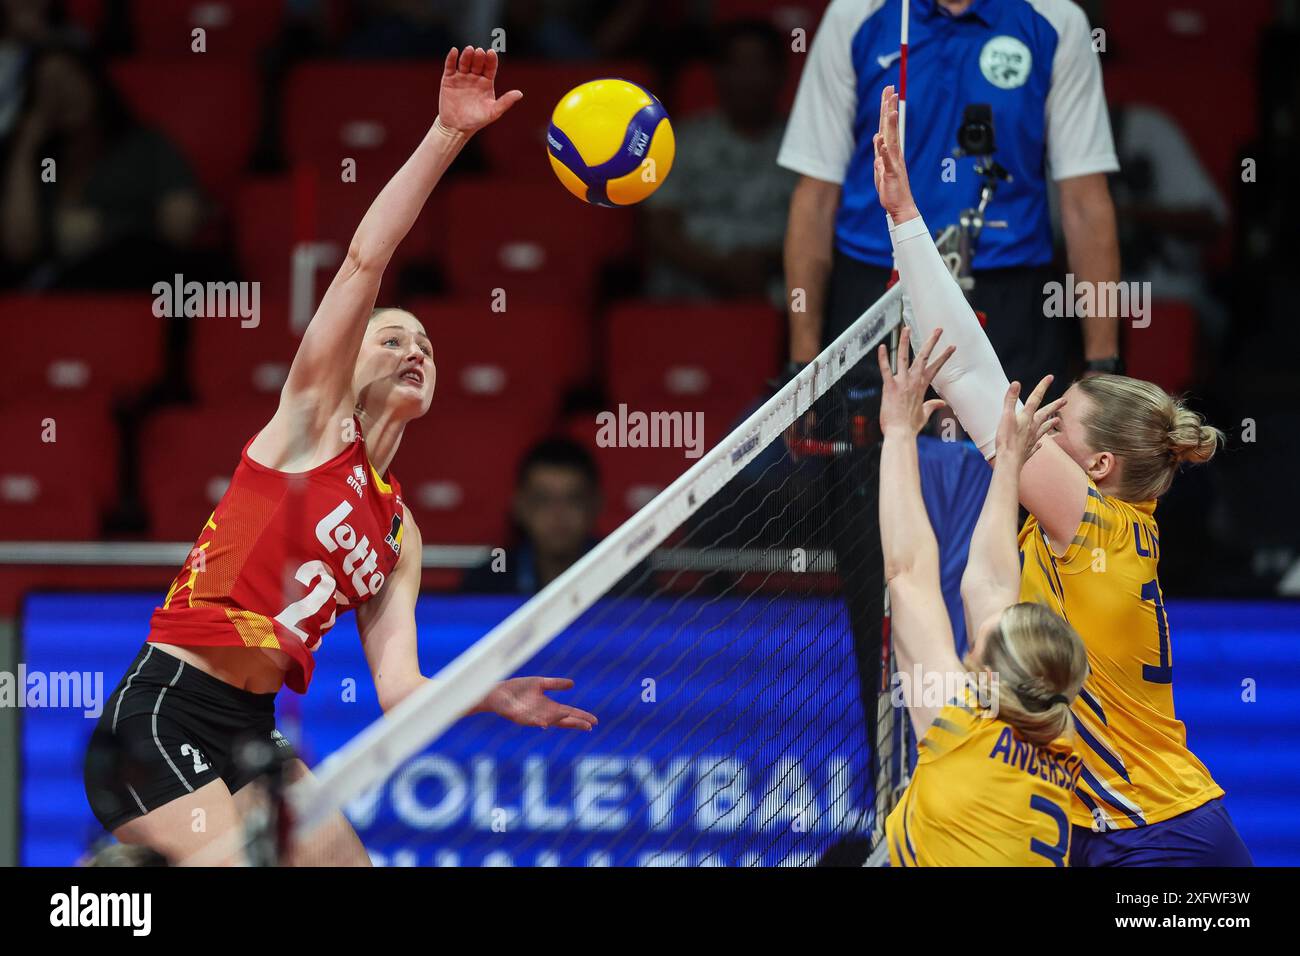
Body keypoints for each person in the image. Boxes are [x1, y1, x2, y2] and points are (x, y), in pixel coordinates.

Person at [82, 48, 598, 868]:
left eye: (425, 343)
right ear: (348, 360)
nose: (413, 349)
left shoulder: (400, 532)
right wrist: (444, 135)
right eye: (392, 337)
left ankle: (127, 871)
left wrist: (488, 696)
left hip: (253, 737)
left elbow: (399, 688)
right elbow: (365, 259)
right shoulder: (313, 421)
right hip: (164, 712)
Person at [873, 84, 1252, 865]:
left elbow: (976, 379)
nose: (1034, 424)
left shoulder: (1095, 523)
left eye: (1059, 424)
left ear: (1100, 467)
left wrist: (906, 220)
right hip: (1113, 835)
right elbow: (978, 589)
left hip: (1161, 838)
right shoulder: (1088, 533)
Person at [779, 0, 1123, 394]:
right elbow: (815, 197)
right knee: (878, 454)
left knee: (1014, 451)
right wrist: (801, 364)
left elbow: (1084, 201)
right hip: (875, 286)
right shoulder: (856, 14)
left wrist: (1102, 362)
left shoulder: (1056, 20)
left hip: (1009, 290)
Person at [878, 324, 1088, 866]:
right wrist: (1009, 464)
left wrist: (898, 432)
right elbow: (992, 588)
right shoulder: (1060, 733)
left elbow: (908, 572)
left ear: (992, 678)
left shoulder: (956, 721)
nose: (984, 630)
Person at [1, 45, 207, 289]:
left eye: (70, 80)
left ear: (93, 81)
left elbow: (179, 229)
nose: (63, 94)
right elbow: (19, 247)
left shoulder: (144, 146)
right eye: (49, 87)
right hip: (60, 288)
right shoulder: (45, 162)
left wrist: (105, 228)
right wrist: (25, 147)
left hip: (132, 278)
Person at [643, 19, 794, 302]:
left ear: (781, 74)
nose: (748, 78)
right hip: (688, 290)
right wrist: (721, 269)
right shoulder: (679, 142)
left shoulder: (806, 148)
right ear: (718, 74)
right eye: (737, 65)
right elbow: (659, 228)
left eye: (758, 65)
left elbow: (823, 232)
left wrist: (763, 262)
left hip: (778, 289)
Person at [460, 437, 602, 595]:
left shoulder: (627, 578)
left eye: (573, 499)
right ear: (520, 506)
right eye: (543, 500)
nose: (558, 514)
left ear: (595, 505)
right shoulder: (486, 582)